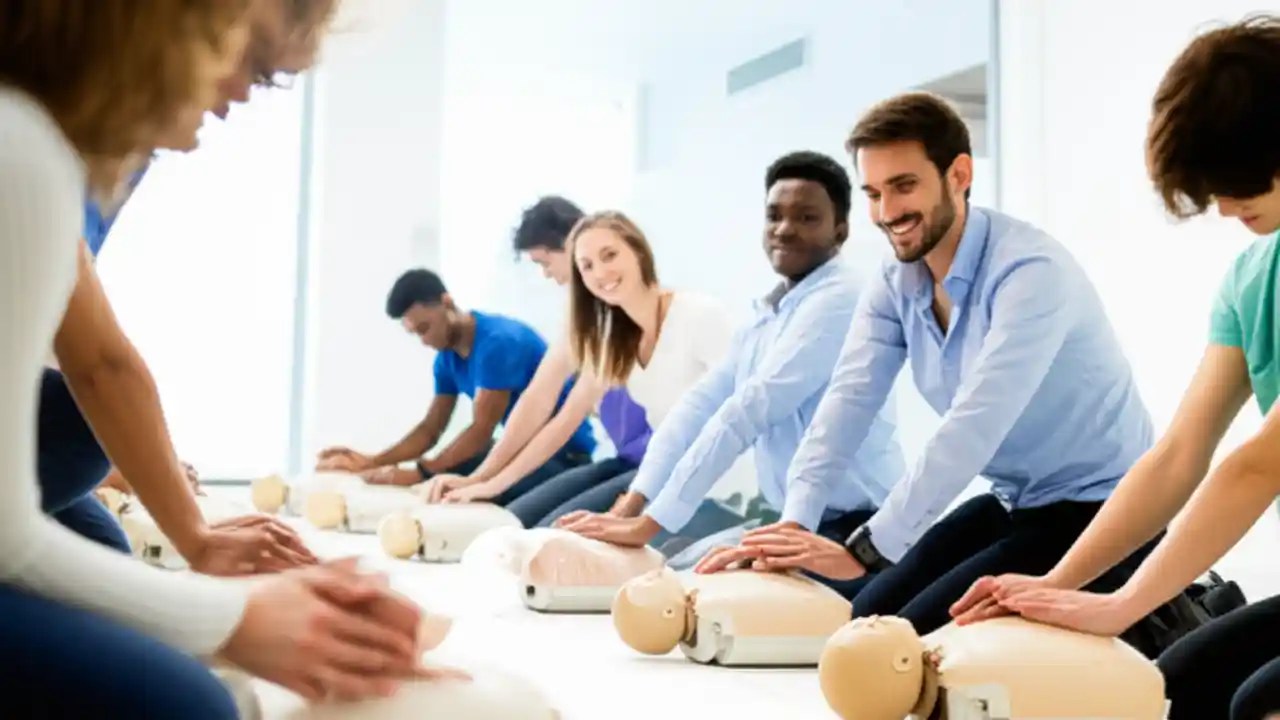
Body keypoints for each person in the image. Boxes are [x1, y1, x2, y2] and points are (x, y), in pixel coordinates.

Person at [0, 2, 440, 716]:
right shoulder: (20, 147)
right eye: (250, 58)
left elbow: (97, 357)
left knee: (116, 587)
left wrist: (197, 550)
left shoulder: (38, 142)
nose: (237, 96)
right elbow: (9, 531)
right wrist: (233, 619)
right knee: (184, 701)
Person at [700, 93, 1158, 635]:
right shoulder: (897, 284)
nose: (887, 212)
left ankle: (1165, 612)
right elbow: (845, 405)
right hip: (1016, 503)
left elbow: (974, 425)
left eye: (904, 186)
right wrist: (793, 525)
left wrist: (867, 549)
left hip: (1106, 510)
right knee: (867, 617)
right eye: (873, 193)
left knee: (905, 639)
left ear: (958, 174)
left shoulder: (1030, 273)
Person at [949, 16, 1280, 720]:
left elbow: (1260, 462)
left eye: (1237, 179)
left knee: (1258, 704)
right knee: (1178, 684)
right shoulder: (1254, 278)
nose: (1223, 206)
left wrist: (1125, 602)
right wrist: (1059, 586)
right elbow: (1181, 453)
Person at [40, 0, 338, 573]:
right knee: (76, 426)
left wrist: (145, 468)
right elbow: (98, 363)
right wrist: (197, 539)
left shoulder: (109, 154)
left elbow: (56, 322)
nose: (245, 96)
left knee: (103, 545)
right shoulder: (34, 144)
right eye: (253, 63)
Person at [558, 151, 905, 576]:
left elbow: (751, 409)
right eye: (774, 215)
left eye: (806, 217)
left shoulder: (841, 299)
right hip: (793, 521)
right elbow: (698, 407)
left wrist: (649, 523)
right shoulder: (771, 310)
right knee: (670, 574)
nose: (784, 229)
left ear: (841, 229)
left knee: (684, 592)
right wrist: (632, 506)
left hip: (853, 530)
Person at [432, 210, 736, 528]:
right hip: (652, 469)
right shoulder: (615, 338)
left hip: (707, 483)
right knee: (523, 527)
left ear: (639, 252)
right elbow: (555, 410)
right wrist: (486, 483)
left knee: (556, 541)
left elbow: (736, 415)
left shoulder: (698, 314)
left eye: (610, 255)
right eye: (587, 266)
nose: (601, 272)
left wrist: (636, 501)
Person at [317, 269, 599, 505]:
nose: (424, 341)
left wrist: (420, 472)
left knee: (445, 491)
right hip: (515, 453)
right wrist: (371, 461)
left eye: (425, 328)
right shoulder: (446, 360)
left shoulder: (498, 341)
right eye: (415, 334)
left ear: (447, 303)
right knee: (427, 484)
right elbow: (430, 429)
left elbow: (481, 429)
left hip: (563, 458)